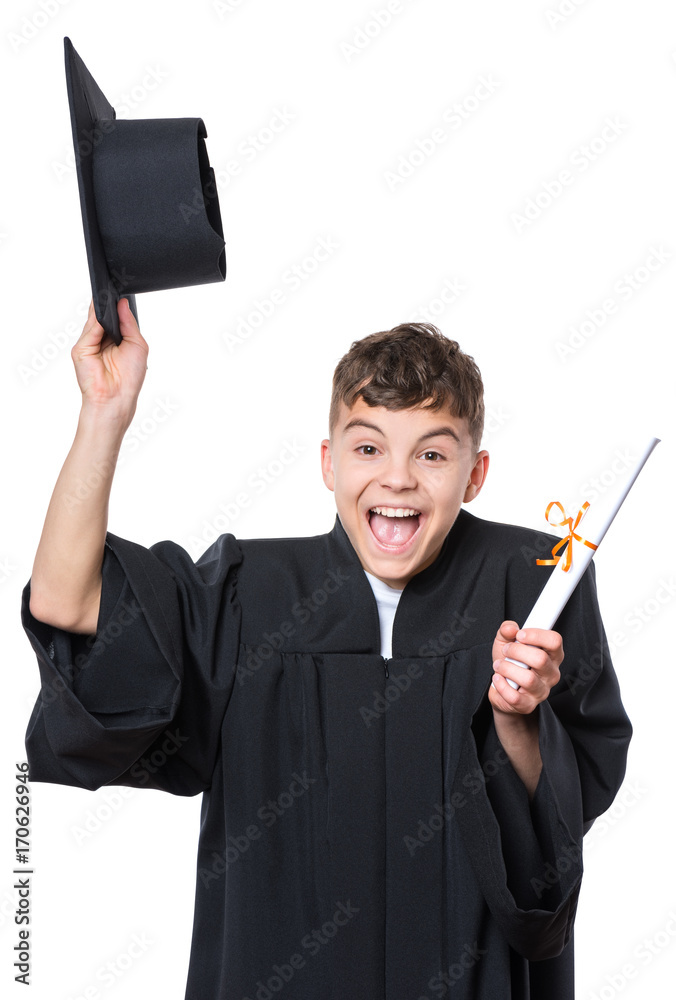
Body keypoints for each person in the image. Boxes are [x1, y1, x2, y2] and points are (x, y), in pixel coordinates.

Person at [22, 297, 631, 1000]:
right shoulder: (249, 595)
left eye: (432, 453)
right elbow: (64, 602)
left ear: (475, 473)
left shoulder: (533, 586)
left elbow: (565, 812)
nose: (398, 478)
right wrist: (103, 413)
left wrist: (518, 721)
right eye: (368, 447)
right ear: (328, 462)